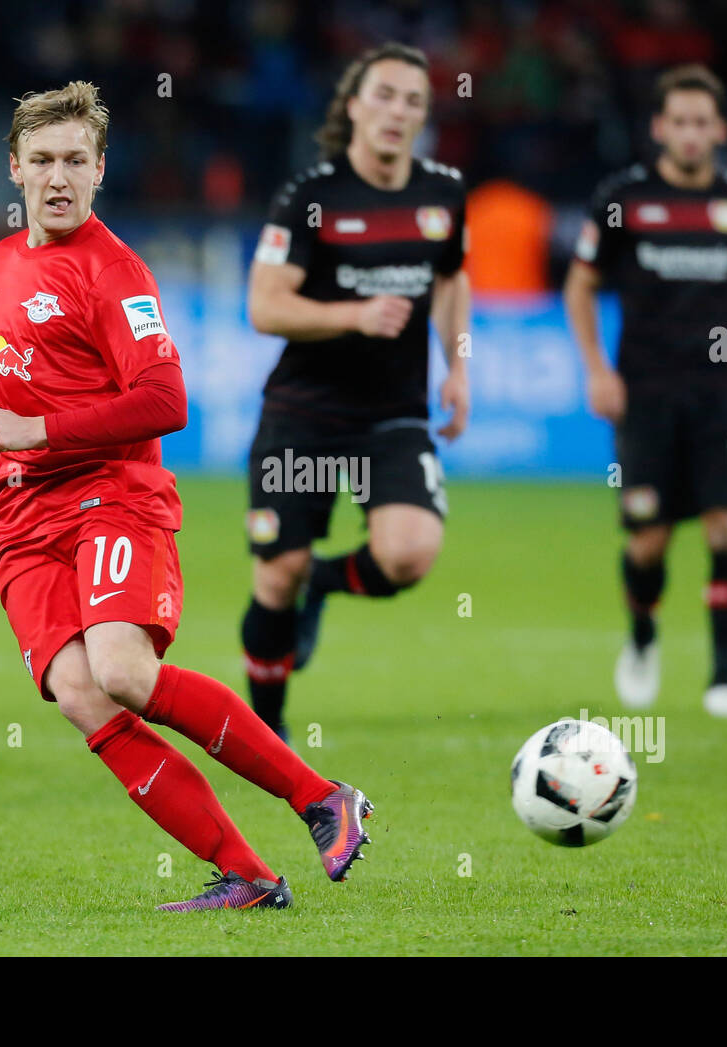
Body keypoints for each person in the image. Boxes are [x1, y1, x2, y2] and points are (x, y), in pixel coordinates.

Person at [0, 81, 372, 912]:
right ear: (13, 168)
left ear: (102, 169)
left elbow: (165, 401)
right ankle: (249, 877)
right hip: (27, 515)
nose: (58, 177)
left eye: (76, 160)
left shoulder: (116, 272)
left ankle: (322, 796)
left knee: (122, 670)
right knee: (79, 693)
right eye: (41, 161)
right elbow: (22, 392)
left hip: (112, 496)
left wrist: (35, 435)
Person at [241, 42, 471, 740]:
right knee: (275, 574)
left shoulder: (443, 193)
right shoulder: (310, 197)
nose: (397, 111)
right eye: (384, 95)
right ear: (353, 106)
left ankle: (325, 581)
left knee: (409, 554)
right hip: (303, 413)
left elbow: (452, 277)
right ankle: (267, 732)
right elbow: (264, 306)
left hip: (392, 415)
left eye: (413, 100)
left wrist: (458, 363)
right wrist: (353, 314)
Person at [563, 64, 727, 719]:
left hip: (721, 390)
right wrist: (598, 369)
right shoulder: (622, 199)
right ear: (659, 127)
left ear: (719, 129)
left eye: (701, 122)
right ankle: (644, 636)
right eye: (678, 121)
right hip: (647, 392)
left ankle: (722, 680)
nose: (690, 133)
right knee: (649, 539)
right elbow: (580, 285)